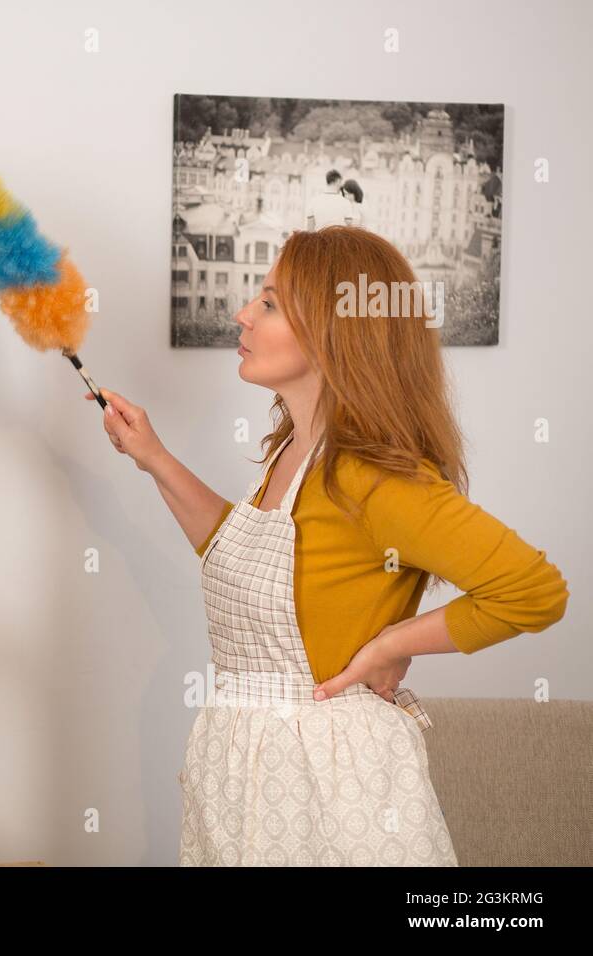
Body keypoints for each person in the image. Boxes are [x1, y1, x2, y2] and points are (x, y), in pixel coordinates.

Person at [89, 226, 569, 866]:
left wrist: (391, 645)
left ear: (332, 331)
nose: (243, 315)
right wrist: (152, 458)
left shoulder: (373, 478)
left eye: (269, 303)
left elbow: (533, 591)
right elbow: (235, 550)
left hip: (333, 792)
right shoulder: (292, 451)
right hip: (248, 776)